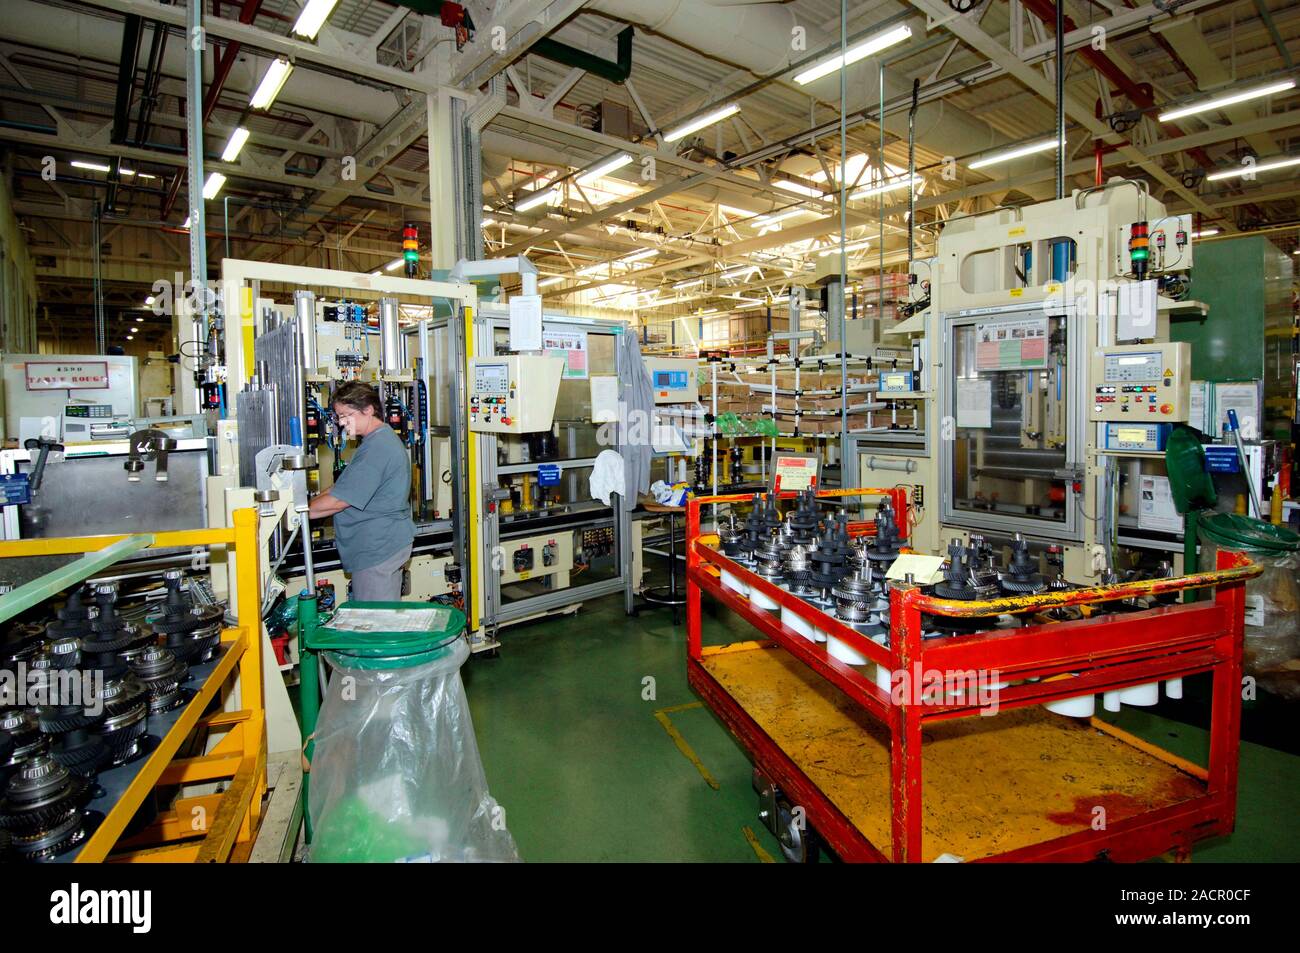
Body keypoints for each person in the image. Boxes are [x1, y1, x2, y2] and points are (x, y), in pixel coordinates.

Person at [308, 382, 415, 602]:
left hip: (377, 549)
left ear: (368, 410)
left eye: (346, 415)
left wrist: (297, 512)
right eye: (338, 416)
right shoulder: (374, 442)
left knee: (375, 623)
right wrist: (303, 504)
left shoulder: (378, 447)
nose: (341, 422)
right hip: (378, 546)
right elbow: (342, 488)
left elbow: (339, 501)